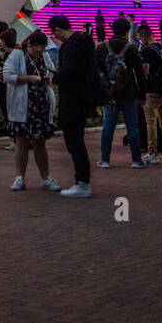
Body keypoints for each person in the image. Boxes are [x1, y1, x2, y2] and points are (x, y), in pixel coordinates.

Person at [2, 29, 60, 192]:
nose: (38, 53)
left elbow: (48, 71)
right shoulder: (16, 55)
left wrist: (48, 79)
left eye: (41, 50)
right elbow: (7, 76)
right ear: (29, 44)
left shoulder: (44, 56)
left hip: (40, 106)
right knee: (21, 141)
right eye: (36, 49)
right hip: (22, 106)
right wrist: (29, 79)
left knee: (40, 142)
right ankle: (20, 177)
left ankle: (45, 177)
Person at [47, 15, 96, 197]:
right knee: (78, 140)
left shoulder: (69, 47)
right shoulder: (86, 42)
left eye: (55, 34)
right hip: (84, 98)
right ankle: (83, 181)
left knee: (74, 142)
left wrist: (54, 78)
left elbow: (67, 72)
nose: (56, 38)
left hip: (71, 99)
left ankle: (82, 183)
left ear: (58, 30)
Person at [95, 16, 147, 168]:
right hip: (129, 93)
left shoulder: (102, 47)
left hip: (110, 94)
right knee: (132, 126)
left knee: (108, 126)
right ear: (127, 31)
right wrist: (142, 95)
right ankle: (136, 160)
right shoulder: (131, 48)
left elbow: (96, 71)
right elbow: (140, 74)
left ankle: (105, 160)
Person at [137, 22, 162, 164]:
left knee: (151, 122)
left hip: (152, 91)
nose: (141, 41)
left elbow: (145, 72)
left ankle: (152, 152)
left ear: (145, 36)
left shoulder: (146, 51)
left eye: (140, 38)